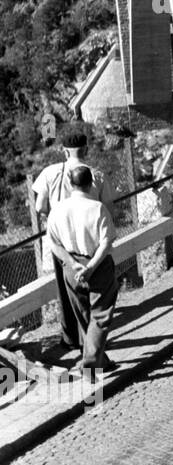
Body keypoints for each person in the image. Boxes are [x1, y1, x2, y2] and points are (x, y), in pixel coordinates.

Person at [32, 128, 107, 361]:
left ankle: (71, 339)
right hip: (90, 240)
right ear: (86, 149)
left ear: (64, 151)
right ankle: (92, 346)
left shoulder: (49, 173)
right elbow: (108, 209)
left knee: (68, 291)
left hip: (60, 240)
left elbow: (39, 206)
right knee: (97, 295)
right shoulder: (96, 174)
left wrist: (53, 219)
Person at [44, 165, 117, 380]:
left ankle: (100, 360)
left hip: (71, 267)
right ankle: (91, 364)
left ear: (69, 183)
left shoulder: (57, 210)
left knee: (84, 315)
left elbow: (54, 245)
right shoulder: (98, 208)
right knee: (101, 315)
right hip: (98, 265)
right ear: (91, 183)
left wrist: (73, 264)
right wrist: (91, 266)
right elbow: (106, 242)